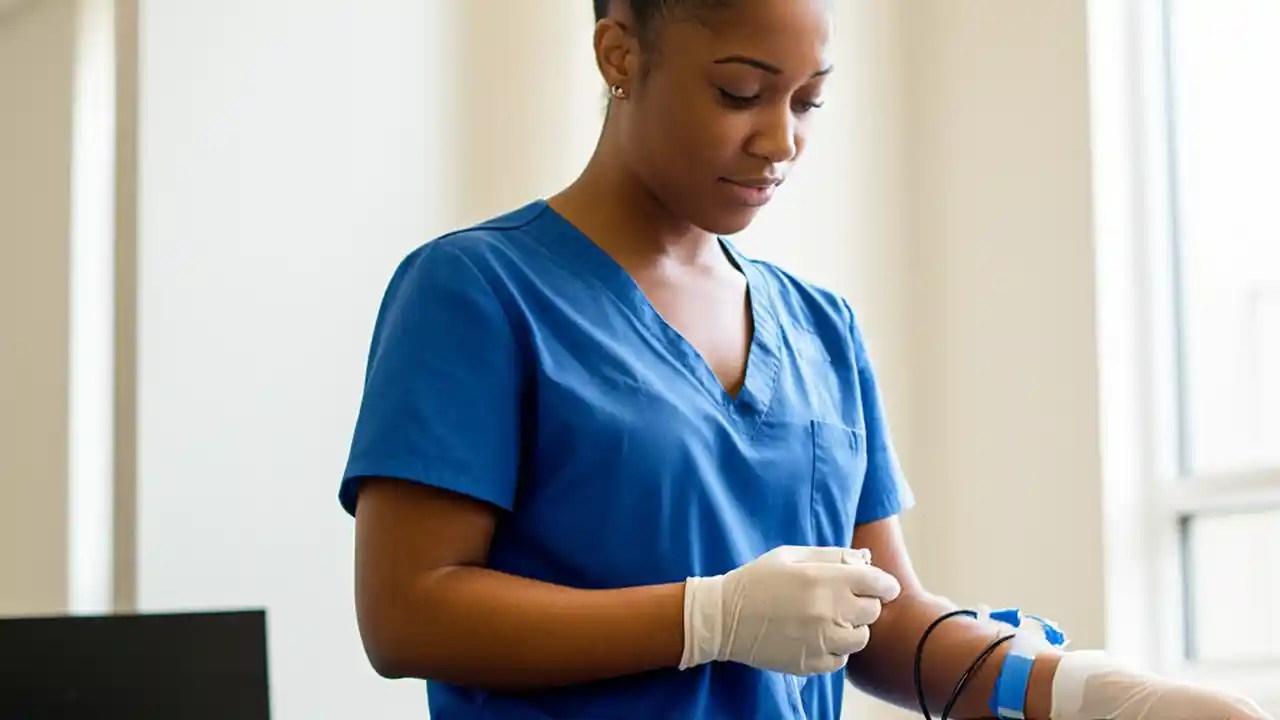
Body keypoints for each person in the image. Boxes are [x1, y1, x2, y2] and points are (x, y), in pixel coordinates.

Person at [339, 1, 1273, 717]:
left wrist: (1083, 693)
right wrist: (707, 618)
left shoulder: (819, 326)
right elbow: (410, 613)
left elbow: (884, 622)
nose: (781, 140)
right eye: (740, 93)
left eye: (808, 100)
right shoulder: (477, 291)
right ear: (620, 53)